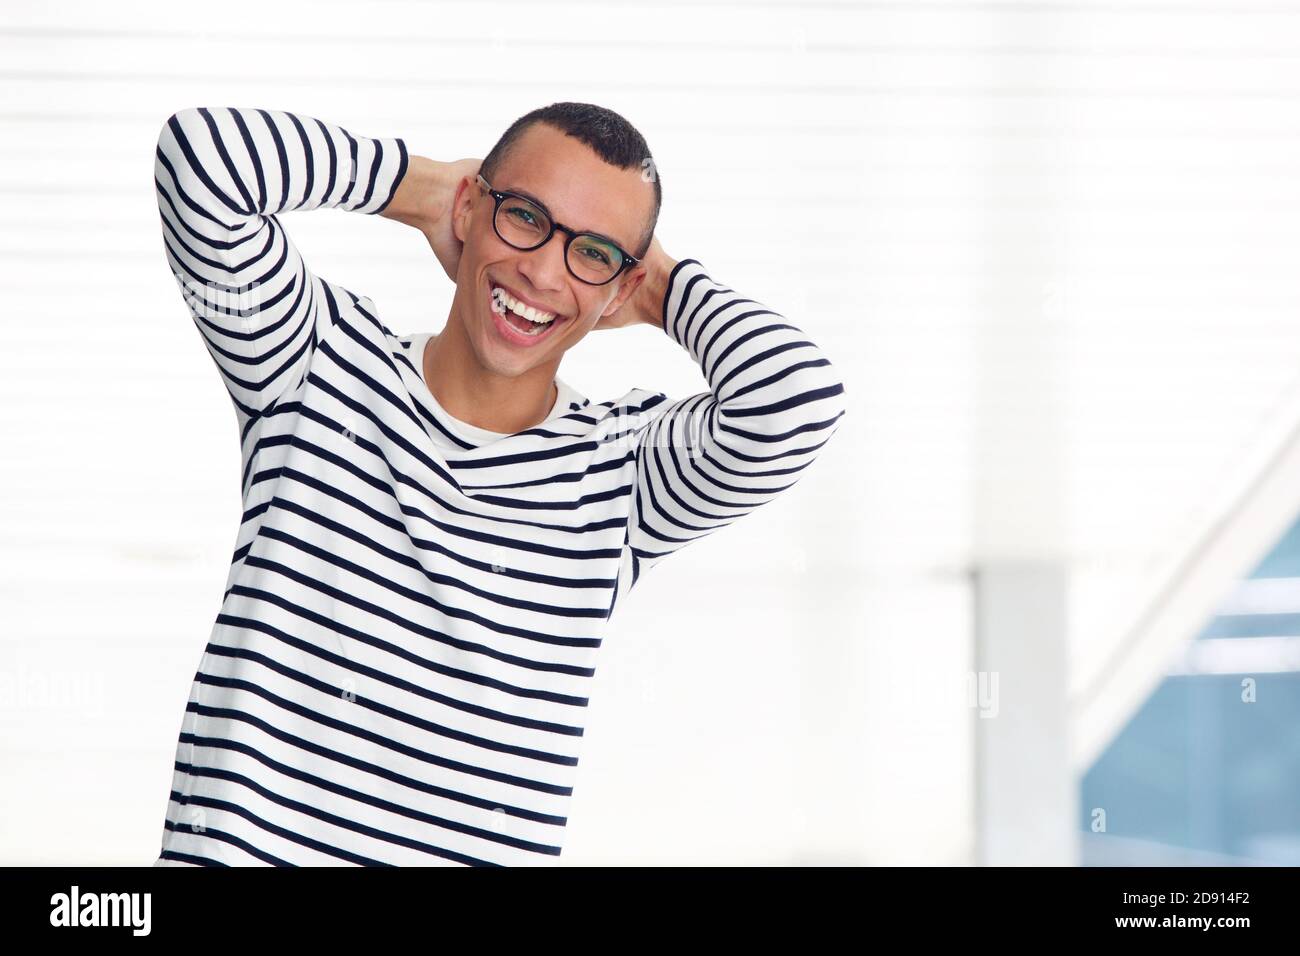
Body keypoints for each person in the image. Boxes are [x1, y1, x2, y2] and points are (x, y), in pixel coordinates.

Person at [151, 104, 847, 866]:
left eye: (592, 252)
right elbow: (204, 159)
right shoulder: (315, 363)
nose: (544, 272)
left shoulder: (621, 472)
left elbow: (797, 402)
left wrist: (659, 289)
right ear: (473, 206)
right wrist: (416, 189)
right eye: (524, 217)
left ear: (620, 289)